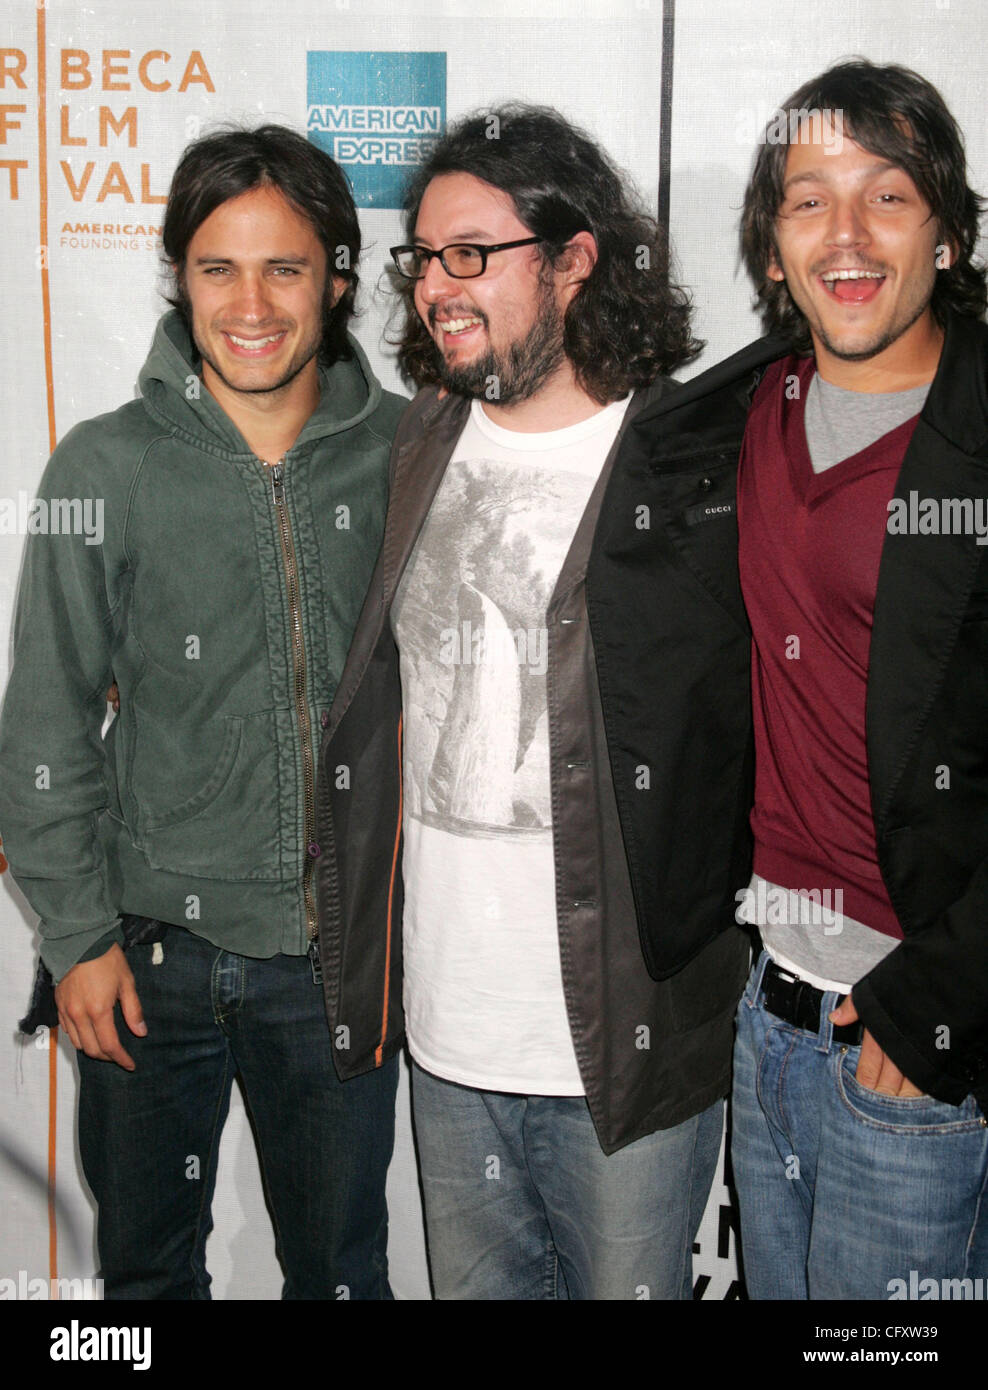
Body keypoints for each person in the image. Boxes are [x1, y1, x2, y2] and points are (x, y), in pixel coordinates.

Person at [313, 103, 753, 1300]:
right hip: (446, 1044)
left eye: (472, 254)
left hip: (623, 1046)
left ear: (572, 258)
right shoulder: (418, 442)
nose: (435, 287)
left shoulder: (689, 460)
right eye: (422, 259)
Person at [0, 124, 406, 1299]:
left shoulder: (405, 451)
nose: (252, 303)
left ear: (338, 275)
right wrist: (74, 938)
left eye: (285, 267)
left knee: (338, 1273)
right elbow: (43, 725)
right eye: (218, 266)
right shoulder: (105, 465)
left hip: (335, 963)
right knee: (143, 1285)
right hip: (143, 959)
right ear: (179, 274)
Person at [648, 59, 988, 1298]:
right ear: (772, 245)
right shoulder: (733, 417)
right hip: (765, 1018)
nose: (844, 235)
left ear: (946, 233)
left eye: (886, 197)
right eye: (807, 200)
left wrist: (941, 999)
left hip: (914, 1050)